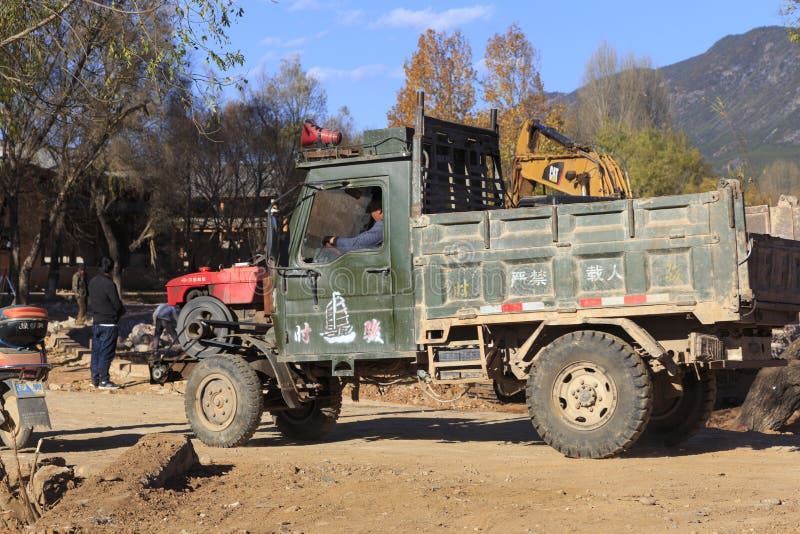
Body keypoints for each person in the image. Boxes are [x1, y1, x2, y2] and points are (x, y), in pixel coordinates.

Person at [88, 257, 125, 389]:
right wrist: (121, 313)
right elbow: (117, 304)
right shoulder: (109, 284)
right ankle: (104, 380)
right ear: (111, 269)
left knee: (96, 351)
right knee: (106, 353)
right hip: (109, 324)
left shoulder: (92, 282)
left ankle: (95, 379)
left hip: (96, 322)